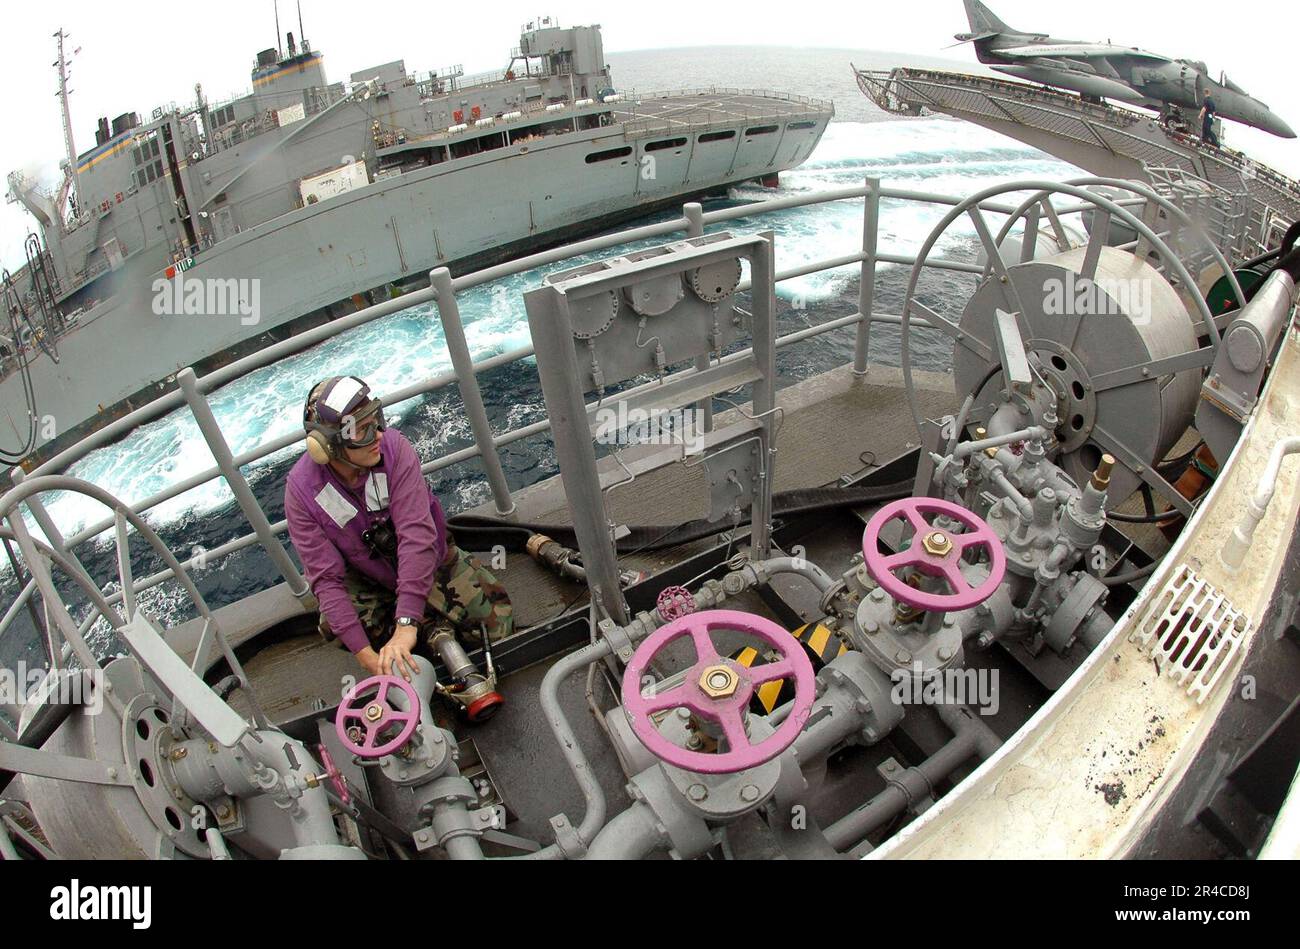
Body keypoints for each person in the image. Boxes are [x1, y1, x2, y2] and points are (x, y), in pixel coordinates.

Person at [284, 376, 513, 688]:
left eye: (377, 420)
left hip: (429, 561)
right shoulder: (301, 491)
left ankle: (416, 619)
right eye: (363, 430)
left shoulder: (394, 449)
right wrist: (366, 658)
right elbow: (326, 580)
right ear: (328, 446)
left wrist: (406, 623)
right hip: (370, 577)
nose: (378, 434)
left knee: (497, 624)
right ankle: (425, 621)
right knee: (337, 625)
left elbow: (417, 536)